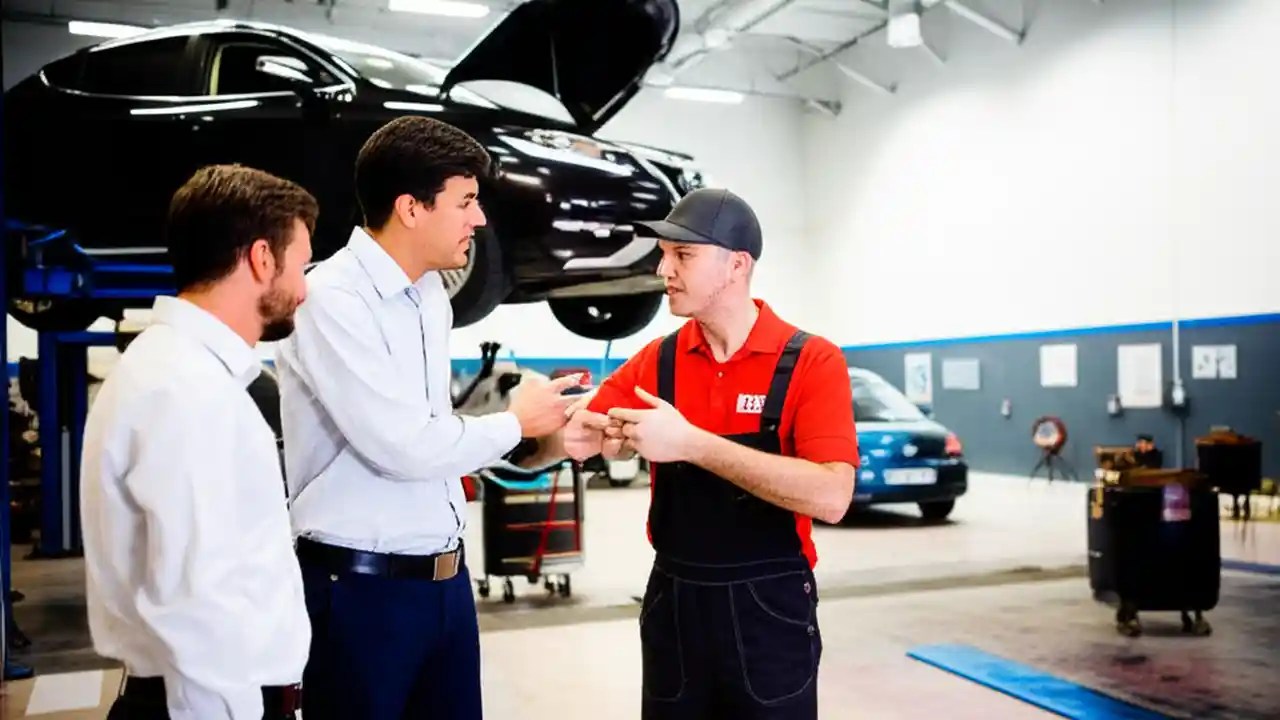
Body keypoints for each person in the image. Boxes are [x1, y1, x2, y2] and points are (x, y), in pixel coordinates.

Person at [274, 115, 581, 720]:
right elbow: (402, 445)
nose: (480, 219)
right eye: (465, 201)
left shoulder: (430, 298)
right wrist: (516, 422)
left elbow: (435, 433)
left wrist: (547, 433)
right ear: (411, 208)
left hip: (444, 585)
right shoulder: (333, 298)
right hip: (359, 592)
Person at [562, 187, 859, 719]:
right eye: (665, 254)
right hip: (675, 605)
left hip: (770, 611)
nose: (663, 269)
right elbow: (580, 432)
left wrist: (691, 445)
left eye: (683, 255)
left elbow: (832, 496)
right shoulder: (660, 360)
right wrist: (573, 432)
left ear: (736, 265)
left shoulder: (812, 362)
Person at [79, 164, 318, 720]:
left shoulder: (178, 372)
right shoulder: (186, 391)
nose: (305, 290)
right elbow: (199, 606)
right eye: (302, 265)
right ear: (262, 258)